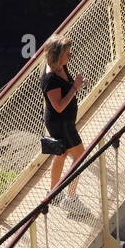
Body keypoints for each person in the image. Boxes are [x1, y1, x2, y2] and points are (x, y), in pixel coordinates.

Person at [41, 35, 87, 210]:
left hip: (62, 122)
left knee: (60, 154)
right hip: (61, 124)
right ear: (57, 55)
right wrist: (75, 87)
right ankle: (71, 199)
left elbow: (67, 88)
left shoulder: (61, 66)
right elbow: (59, 106)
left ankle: (52, 192)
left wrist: (78, 84)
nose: (70, 55)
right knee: (80, 157)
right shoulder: (50, 78)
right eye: (67, 53)